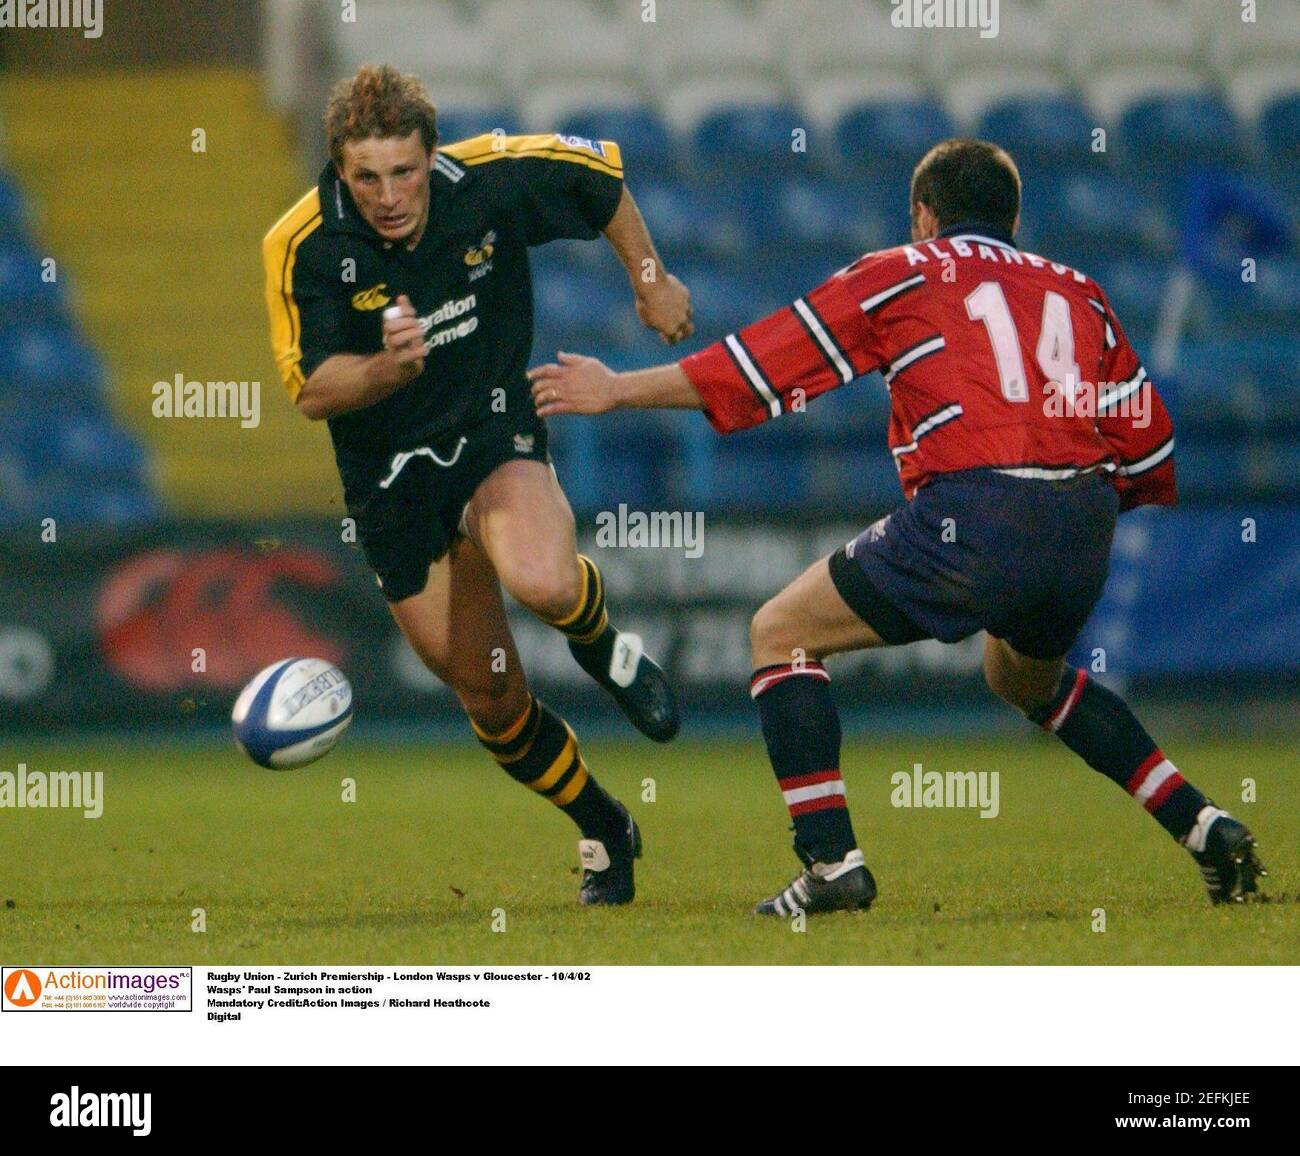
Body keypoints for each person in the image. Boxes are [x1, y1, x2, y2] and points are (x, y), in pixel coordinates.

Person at [529, 137, 1265, 914]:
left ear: (923, 214)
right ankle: (1204, 824)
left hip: (974, 509)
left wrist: (616, 390)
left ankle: (830, 865)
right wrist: (1064, 512)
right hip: (1082, 516)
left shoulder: (901, 273)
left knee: (780, 633)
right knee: (1022, 677)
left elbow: (760, 366)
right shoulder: (1077, 289)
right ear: (1013, 218)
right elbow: (1149, 441)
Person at [262, 65, 693, 905]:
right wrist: (387, 370)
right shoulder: (302, 244)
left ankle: (601, 643)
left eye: (406, 171)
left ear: (432, 156)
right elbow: (312, 390)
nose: (390, 196)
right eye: (368, 177)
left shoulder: (488, 178)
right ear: (339, 171)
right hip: (390, 477)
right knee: (491, 697)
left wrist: (650, 281)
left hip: (491, 424)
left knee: (541, 578)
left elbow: (599, 177)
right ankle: (606, 825)